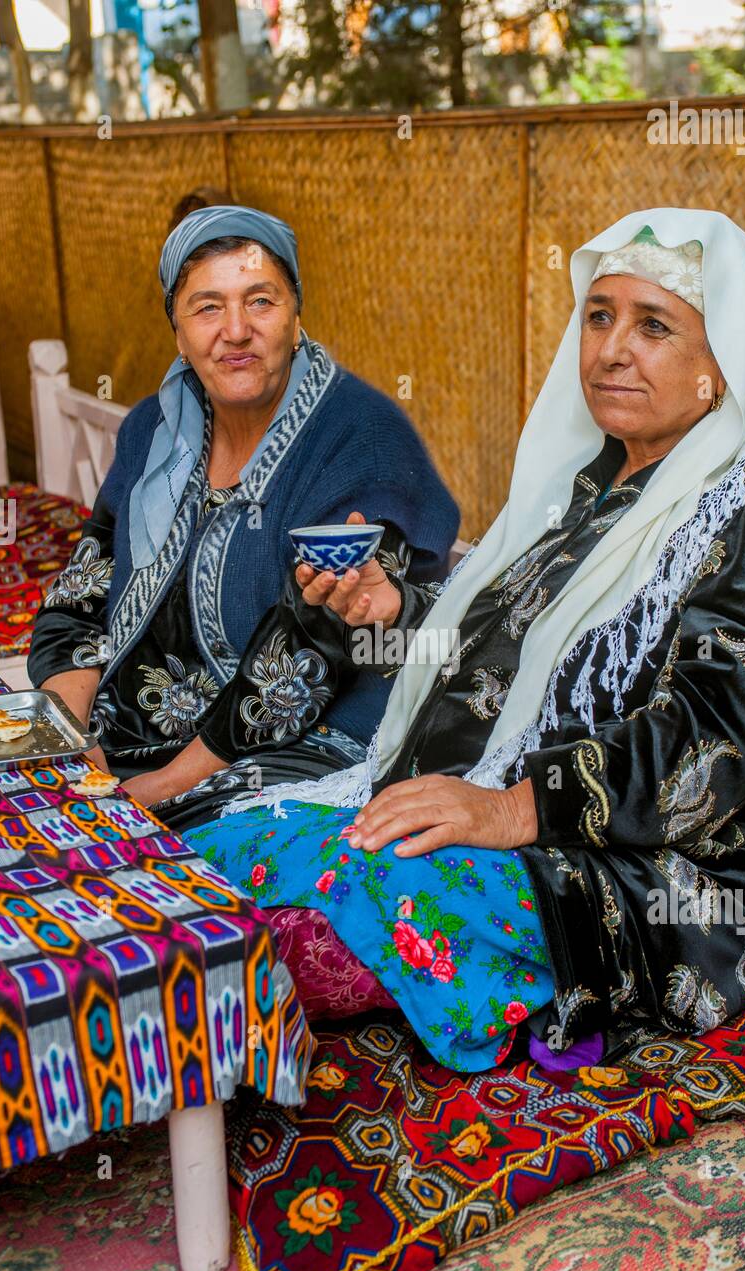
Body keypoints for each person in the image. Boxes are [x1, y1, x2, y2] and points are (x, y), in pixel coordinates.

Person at [182, 207, 745, 1074]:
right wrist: (398, 610)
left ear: (722, 364)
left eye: (653, 326)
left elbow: (720, 734)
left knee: (377, 892)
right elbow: (517, 656)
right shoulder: (599, 479)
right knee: (230, 834)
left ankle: (199, 1005)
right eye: (598, 316)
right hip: (505, 795)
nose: (609, 348)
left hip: (665, 863)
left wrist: (506, 810)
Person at [27, 205, 460, 820]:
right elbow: (83, 594)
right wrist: (72, 742)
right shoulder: (153, 429)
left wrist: (147, 793)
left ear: (296, 316)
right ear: (177, 330)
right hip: (127, 738)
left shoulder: (362, 438)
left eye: (260, 301)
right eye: (207, 307)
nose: (235, 330)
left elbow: (308, 659)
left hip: (296, 744)